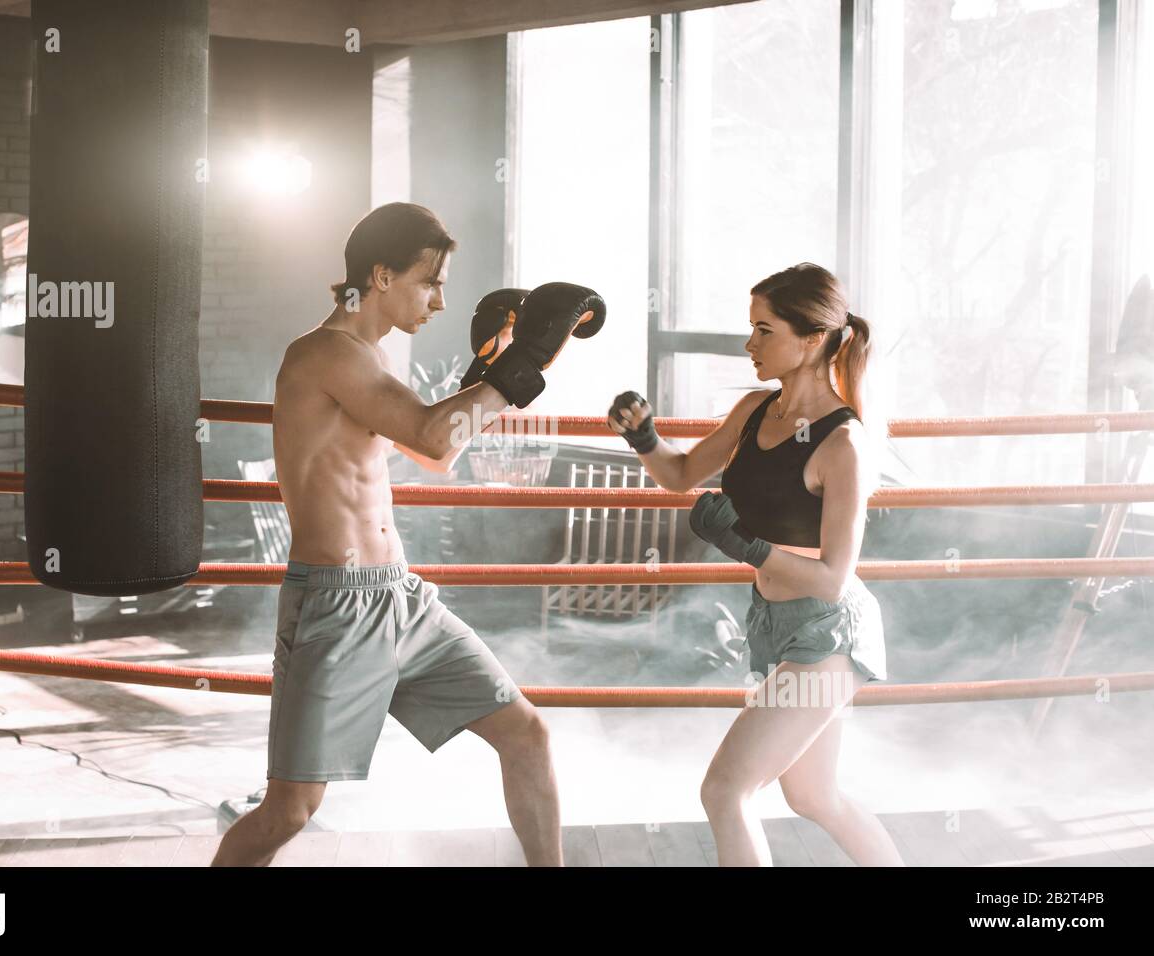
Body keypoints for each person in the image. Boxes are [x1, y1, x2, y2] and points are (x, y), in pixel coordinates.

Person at [213, 202, 601, 866]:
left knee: (527, 736)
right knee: (290, 811)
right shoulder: (323, 354)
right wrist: (522, 365)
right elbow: (429, 436)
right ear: (382, 276)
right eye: (431, 281)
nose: (442, 301)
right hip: (334, 610)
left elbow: (429, 452)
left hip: (401, 600)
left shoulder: (368, 356)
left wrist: (486, 376)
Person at [606, 262, 904, 867]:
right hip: (776, 623)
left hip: (828, 632)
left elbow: (832, 578)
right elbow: (682, 475)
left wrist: (744, 545)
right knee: (816, 797)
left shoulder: (843, 445)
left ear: (813, 337)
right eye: (751, 328)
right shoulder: (752, 410)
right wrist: (643, 438)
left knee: (725, 790)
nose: (750, 345)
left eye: (764, 330)